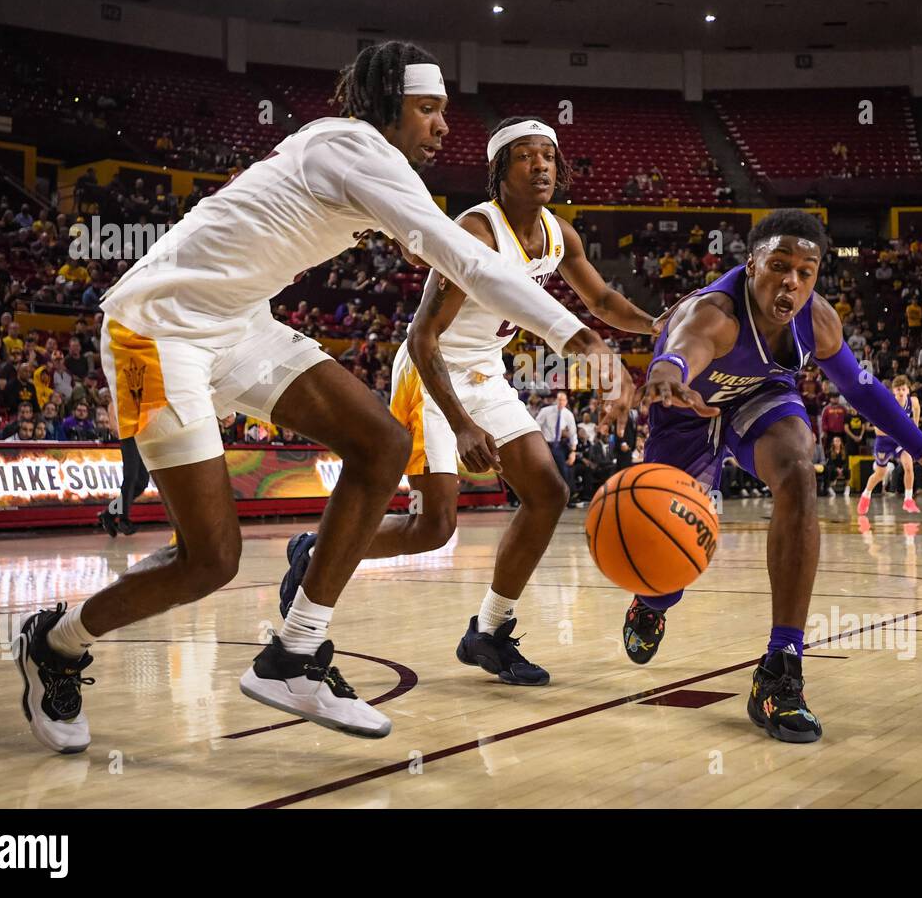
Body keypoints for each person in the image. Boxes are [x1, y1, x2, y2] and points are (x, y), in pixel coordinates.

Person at [10, 40, 631, 755]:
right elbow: (459, 256)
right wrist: (576, 336)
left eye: (444, 113)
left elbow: (395, 223)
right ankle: (55, 644)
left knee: (383, 443)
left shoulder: (364, 158)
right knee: (210, 561)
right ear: (389, 105)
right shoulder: (352, 148)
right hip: (156, 331)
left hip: (238, 323)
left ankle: (295, 656)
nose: (443, 127)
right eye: (428, 110)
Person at [278, 117, 654, 686]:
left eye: (549, 155)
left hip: (485, 371)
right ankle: (315, 551)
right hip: (432, 376)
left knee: (548, 491)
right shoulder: (477, 232)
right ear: (501, 171)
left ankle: (489, 631)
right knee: (434, 528)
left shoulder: (559, 234)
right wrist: (460, 425)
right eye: (527, 156)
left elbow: (601, 298)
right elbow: (421, 337)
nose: (542, 165)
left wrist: (662, 326)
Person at [629, 209, 922, 744]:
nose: (792, 281)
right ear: (752, 264)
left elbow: (862, 387)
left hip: (759, 397)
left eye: (806, 270)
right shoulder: (714, 313)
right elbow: (682, 352)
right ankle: (653, 602)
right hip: (687, 409)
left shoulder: (817, 320)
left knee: (801, 474)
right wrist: (665, 376)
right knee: (668, 558)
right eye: (779, 266)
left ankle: (781, 667)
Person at [856, 374, 921, 515]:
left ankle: (908, 500)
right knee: (880, 474)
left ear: (908, 390)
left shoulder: (913, 401)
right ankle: (866, 495)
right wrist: (900, 430)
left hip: (901, 440)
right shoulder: (887, 404)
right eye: (898, 389)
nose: (901, 392)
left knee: (909, 467)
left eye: (903, 389)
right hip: (884, 441)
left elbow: (917, 410)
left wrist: (915, 427)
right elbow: (878, 430)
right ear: (893, 391)